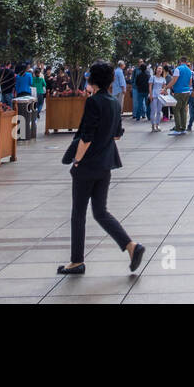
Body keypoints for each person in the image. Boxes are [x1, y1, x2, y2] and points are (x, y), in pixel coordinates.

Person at [58, 64, 144, 276]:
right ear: (110, 81)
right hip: (106, 164)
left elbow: (86, 136)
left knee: (78, 213)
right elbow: (116, 135)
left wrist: (76, 161)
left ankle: (77, 261)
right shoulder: (114, 103)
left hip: (87, 164)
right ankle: (131, 246)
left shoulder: (93, 102)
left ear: (92, 80)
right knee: (100, 211)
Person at [166, 58, 194, 135]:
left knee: (176, 110)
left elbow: (174, 80)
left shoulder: (178, 69)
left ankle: (178, 129)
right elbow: (190, 83)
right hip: (187, 91)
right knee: (183, 110)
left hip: (179, 91)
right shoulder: (189, 70)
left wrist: (165, 88)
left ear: (180, 62)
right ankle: (183, 128)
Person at [147, 63, 166, 132]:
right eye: (158, 69)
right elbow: (150, 86)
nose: (159, 70)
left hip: (160, 96)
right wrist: (150, 95)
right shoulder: (152, 77)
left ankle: (157, 124)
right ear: (156, 70)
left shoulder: (163, 78)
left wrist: (164, 92)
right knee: (153, 110)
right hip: (154, 95)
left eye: (161, 69)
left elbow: (164, 87)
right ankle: (153, 125)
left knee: (159, 111)